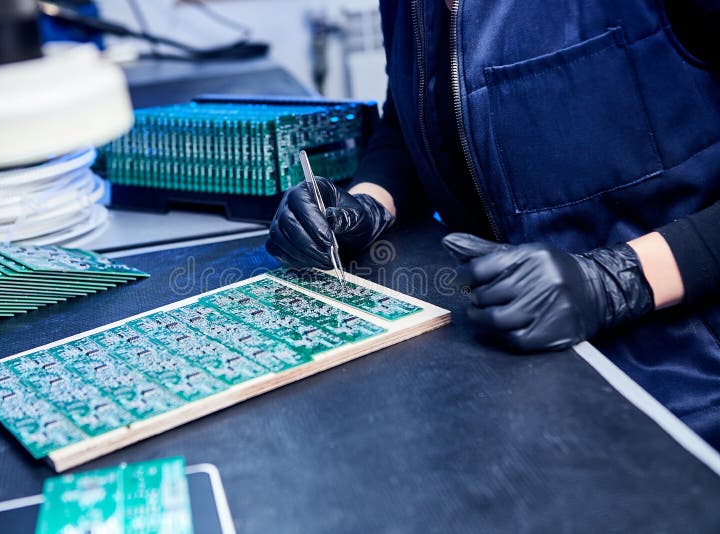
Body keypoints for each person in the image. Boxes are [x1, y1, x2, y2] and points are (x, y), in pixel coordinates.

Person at [265, 0, 720, 449]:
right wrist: (364, 205)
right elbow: (407, 125)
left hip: (691, 382)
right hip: (513, 369)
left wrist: (618, 281)